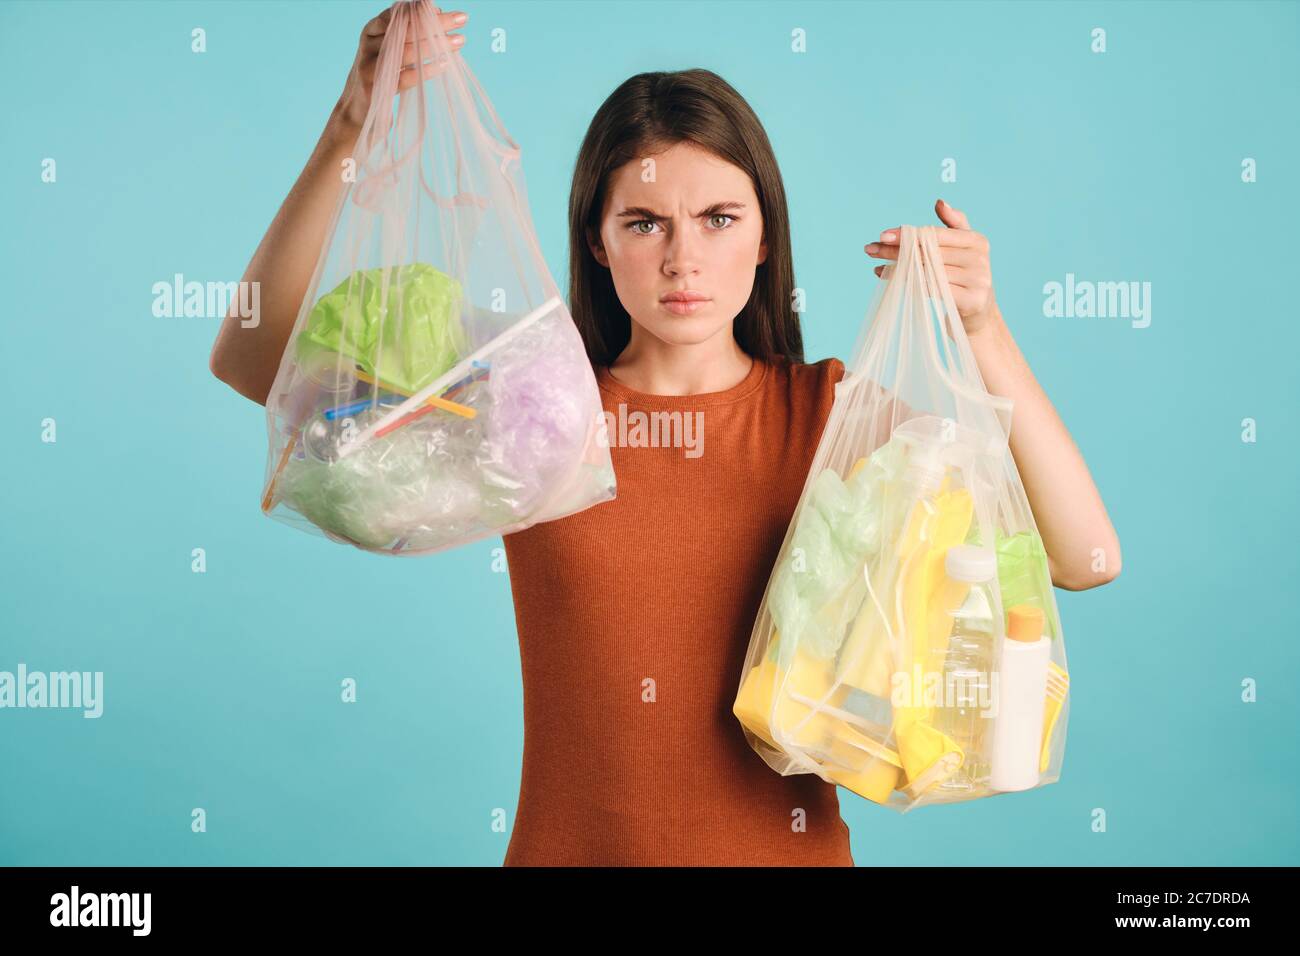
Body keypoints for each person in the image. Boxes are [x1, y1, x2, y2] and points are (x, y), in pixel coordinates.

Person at [209, 6, 1122, 867]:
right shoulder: (536, 410)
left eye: (719, 219)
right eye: (644, 223)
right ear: (599, 243)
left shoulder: (829, 418)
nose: (683, 257)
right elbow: (253, 359)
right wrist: (349, 126)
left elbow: (1085, 557)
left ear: (765, 237)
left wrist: (985, 330)